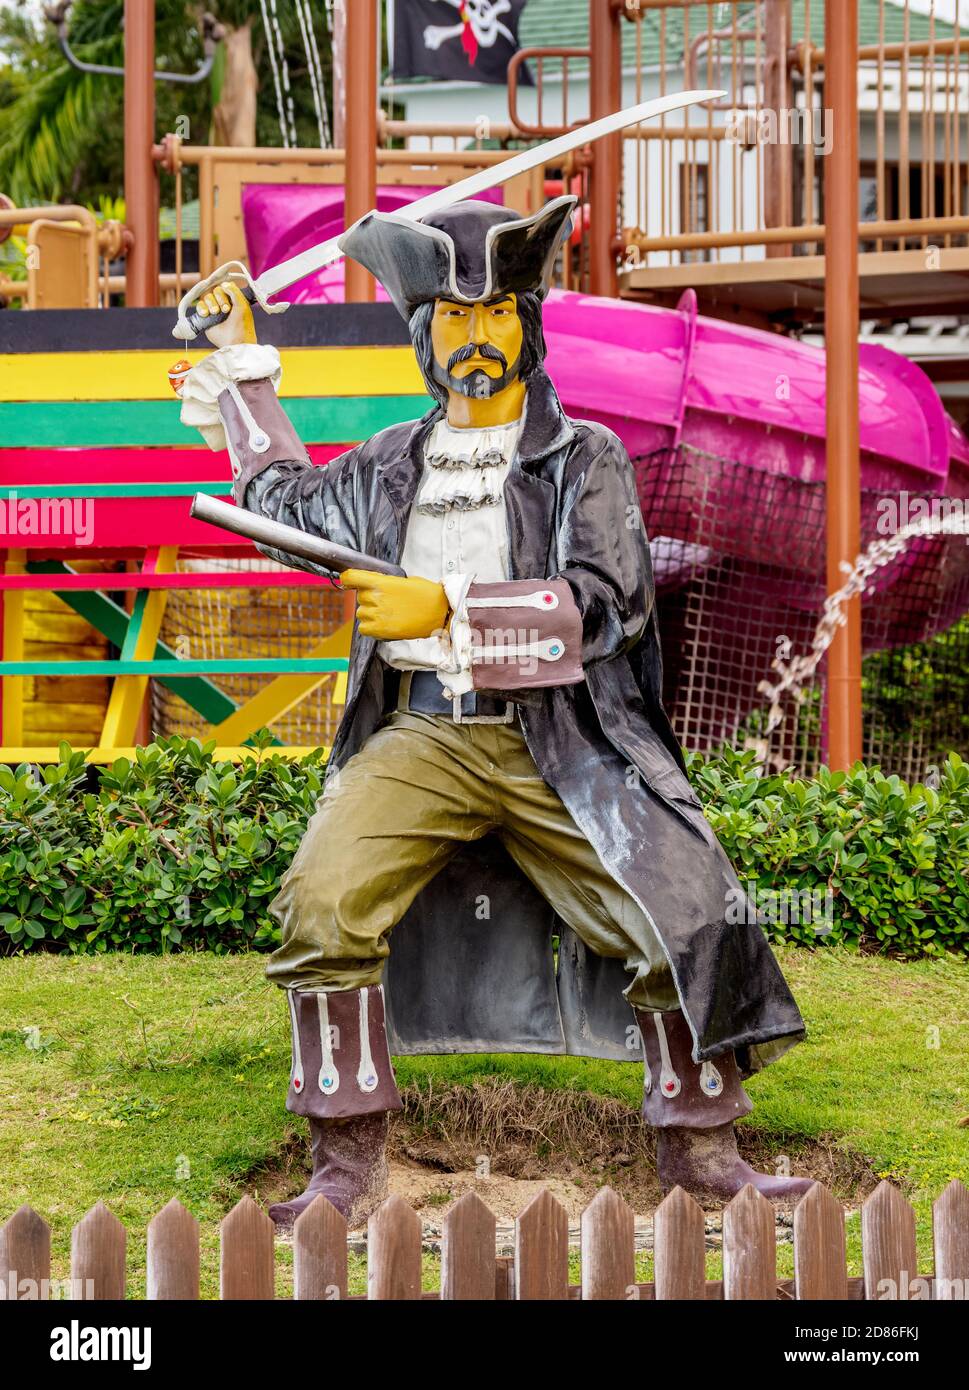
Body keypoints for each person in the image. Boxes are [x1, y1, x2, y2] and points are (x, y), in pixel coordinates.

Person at [177, 196, 812, 1228]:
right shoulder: (390, 462)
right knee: (320, 900)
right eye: (456, 320)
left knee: (685, 903)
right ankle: (345, 1163)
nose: (478, 339)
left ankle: (701, 1150)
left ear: (527, 324)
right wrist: (242, 358)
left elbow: (610, 601)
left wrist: (449, 608)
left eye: (496, 316)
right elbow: (286, 509)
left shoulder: (585, 459)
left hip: (566, 737)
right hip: (424, 732)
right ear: (425, 335)